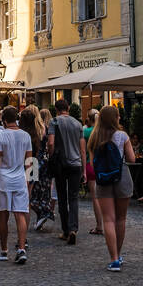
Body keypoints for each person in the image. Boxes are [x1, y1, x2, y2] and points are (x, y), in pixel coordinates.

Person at [88, 105, 135, 271]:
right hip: (122, 176)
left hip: (103, 180)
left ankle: (113, 258)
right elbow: (132, 158)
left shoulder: (94, 136)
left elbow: (93, 164)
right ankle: (119, 254)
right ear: (115, 118)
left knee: (108, 219)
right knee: (121, 219)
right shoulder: (122, 135)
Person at [0, 106, 33, 264]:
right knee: (20, 213)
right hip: (20, 178)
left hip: (3, 179)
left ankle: (4, 250)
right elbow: (30, 161)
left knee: (3, 214)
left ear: (4, 120)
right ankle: (21, 248)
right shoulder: (26, 136)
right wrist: (30, 180)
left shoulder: (1, 136)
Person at [45, 99, 85, 244]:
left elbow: (50, 142)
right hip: (76, 164)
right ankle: (74, 228)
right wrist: (84, 170)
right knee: (74, 198)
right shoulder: (78, 123)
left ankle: (66, 230)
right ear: (68, 108)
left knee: (62, 197)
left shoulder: (54, 122)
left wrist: (51, 156)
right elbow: (82, 149)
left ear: (56, 109)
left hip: (61, 164)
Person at [20, 107, 54, 232]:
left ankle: (41, 212)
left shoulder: (24, 130)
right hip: (40, 162)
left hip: (29, 162)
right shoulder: (43, 128)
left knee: (28, 194)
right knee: (40, 190)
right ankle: (42, 212)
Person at [82, 107, 104, 235]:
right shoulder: (104, 131)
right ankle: (108, 223)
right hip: (104, 166)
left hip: (90, 165)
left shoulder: (86, 131)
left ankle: (99, 225)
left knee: (95, 197)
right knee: (106, 196)